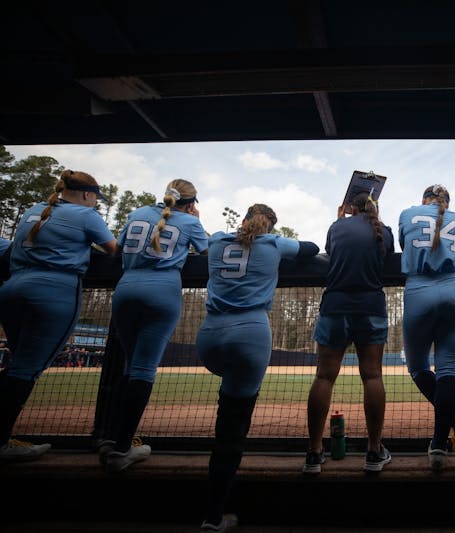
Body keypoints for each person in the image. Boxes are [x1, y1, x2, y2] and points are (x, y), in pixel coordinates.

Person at [196, 203, 318, 531]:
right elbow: (312, 249)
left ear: (246, 219)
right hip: (250, 334)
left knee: (227, 400)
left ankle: (212, 512)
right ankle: (213, 516)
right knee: (231, 430)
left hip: (209, 336)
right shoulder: (273, 243)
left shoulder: (218, 240)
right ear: (270, 224)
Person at [0, 170, 117, 463]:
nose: (95, 203)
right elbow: (115, 251)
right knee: (24, 369)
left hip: (11, 289)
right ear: (88, 194)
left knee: (18, 363)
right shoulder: (87, 216)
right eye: (95, 198)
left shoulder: (34, 209)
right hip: (53, 292)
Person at [103, 179, 208, 473]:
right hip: (163, 291)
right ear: (191, 203)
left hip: (125, 288)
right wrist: (196, 221)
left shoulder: (137, 212)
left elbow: (118, 248)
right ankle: (122, 449)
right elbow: (209, 253)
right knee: (143, 370)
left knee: (128, 366)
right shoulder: (189, 220)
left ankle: (111, 439)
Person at [303, 191, 395, 474]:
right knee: (373, 376)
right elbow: (386, 252)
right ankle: (373, 451)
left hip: (336, 306)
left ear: (351, 207)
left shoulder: (336, 226)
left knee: (324, 377)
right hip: (370, 306)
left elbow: (332, 250)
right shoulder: (385, 231)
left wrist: (340, 217)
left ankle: (315, 453)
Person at [398, 184, 455, 471]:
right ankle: (439, 446)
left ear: (423, 199)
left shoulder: (409, 213)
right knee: (447, 370)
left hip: (419, 288)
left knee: (419, 368)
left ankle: (453, 419)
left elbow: (404, 245)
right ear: (447, 201)